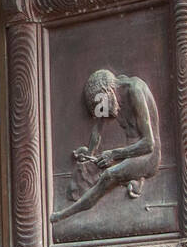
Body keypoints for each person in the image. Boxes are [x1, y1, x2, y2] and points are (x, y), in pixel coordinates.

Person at [51, 69, 161, 224]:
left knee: (108, 175)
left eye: (100, 104)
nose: (104, 111)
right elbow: (97, 130)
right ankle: (134, 178)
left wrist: (114, 155)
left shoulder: (134, 90)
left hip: (148, 156)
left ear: (107, 92)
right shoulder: (108, 96)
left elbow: (149, 144)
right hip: (131, 153)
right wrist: (89, 154)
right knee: (99, 166)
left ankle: (61, 216)